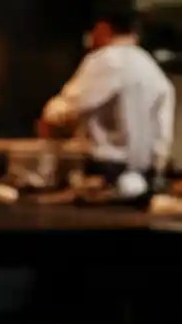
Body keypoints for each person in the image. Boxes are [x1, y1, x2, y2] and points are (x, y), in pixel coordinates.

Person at [40, 10, 175, 199]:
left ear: (103, 29)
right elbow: (163, 134)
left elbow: (66, 108)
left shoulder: (105, 60)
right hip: (145, 179)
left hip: (104, 174)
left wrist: (50, 118)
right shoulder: (152, 69)